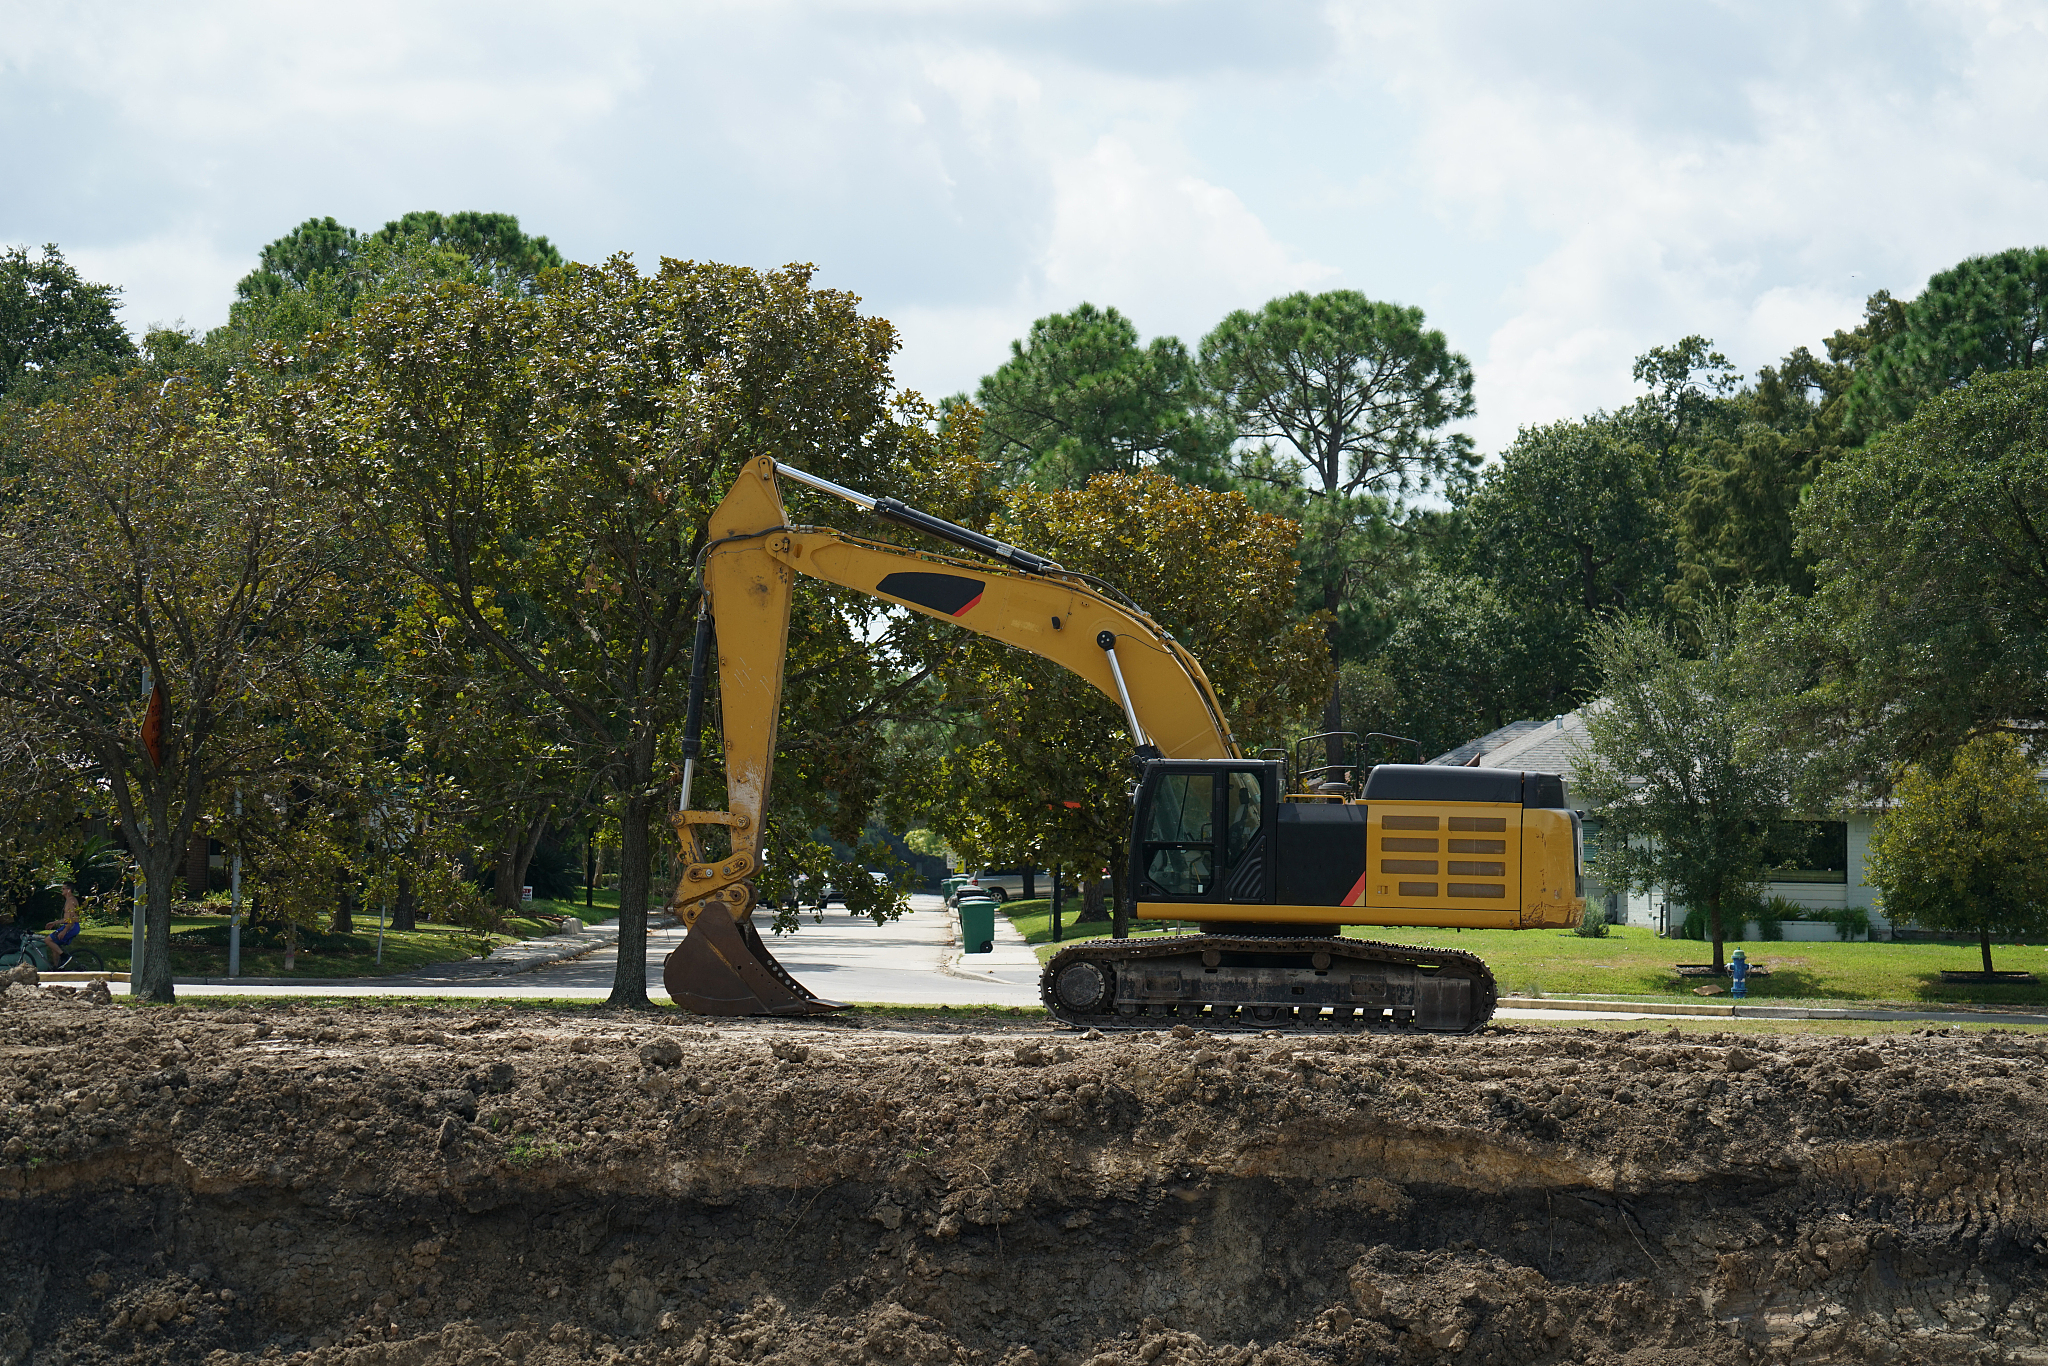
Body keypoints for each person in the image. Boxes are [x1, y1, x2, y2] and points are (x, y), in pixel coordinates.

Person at [41, 884, 83, 968]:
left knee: (47, 940)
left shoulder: (71, 902)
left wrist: (64, 931)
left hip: (71, 927)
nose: (61, 890)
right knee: (54, 946)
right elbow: (66, 918)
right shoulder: (69, 900)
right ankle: (57, 967)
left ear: (69, 890)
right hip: (70, 925)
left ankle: (65, 957)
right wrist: (54, 922)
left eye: (63, 889)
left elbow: (71, 918)